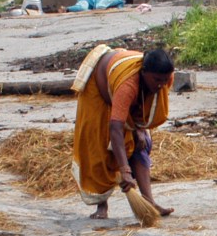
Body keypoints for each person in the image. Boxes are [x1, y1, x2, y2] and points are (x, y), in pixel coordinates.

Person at [71, 46, 176, 219]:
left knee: (140, 143)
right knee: (98, 147)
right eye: (157, 80)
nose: (161, 85)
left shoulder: (164, 77)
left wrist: (139, 129)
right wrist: (125, 171)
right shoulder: (128, 86)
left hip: (118, 79)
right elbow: (115, 129)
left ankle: (149, 202)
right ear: (144, 72)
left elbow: (146, 107)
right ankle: (101, 206)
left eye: (164, 80)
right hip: (99, 87)